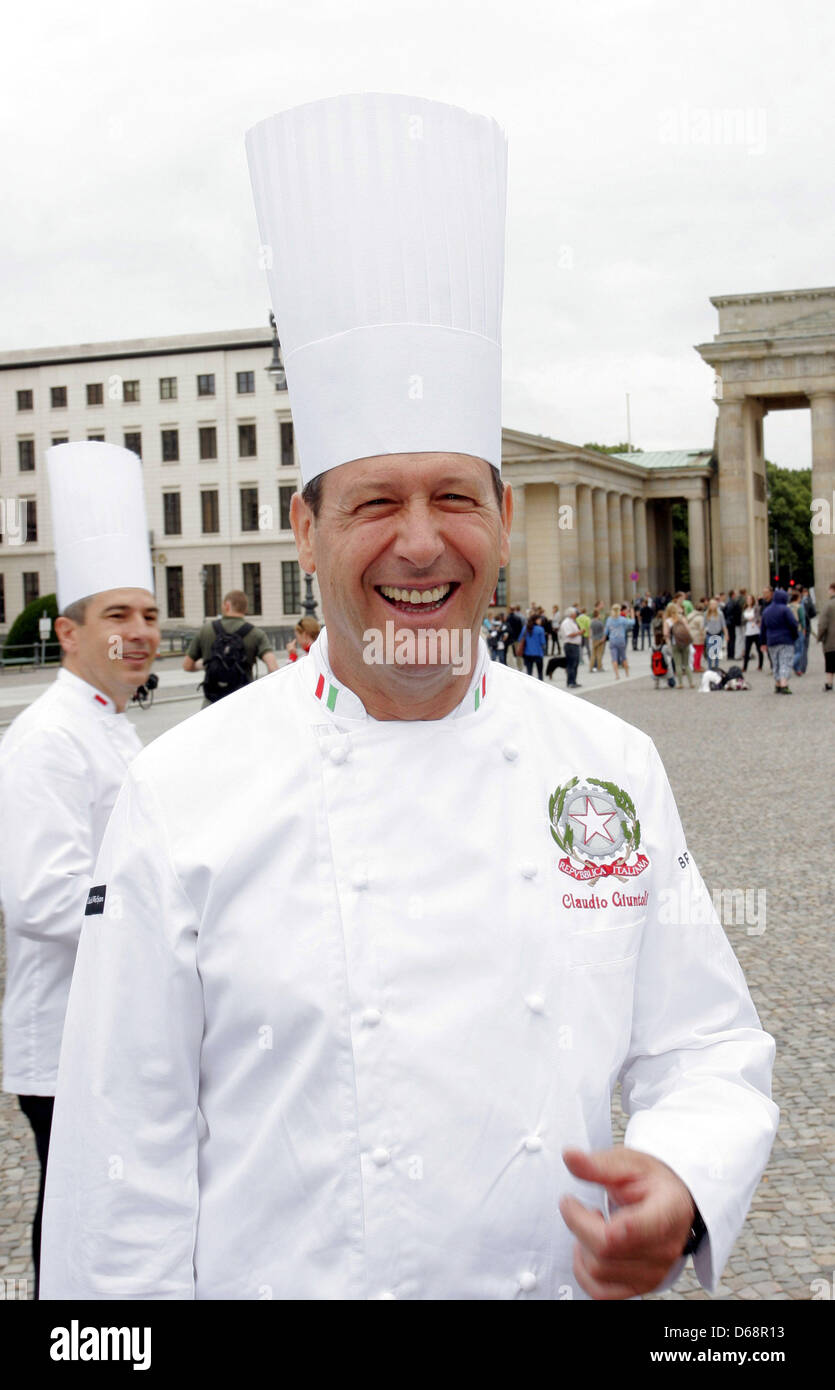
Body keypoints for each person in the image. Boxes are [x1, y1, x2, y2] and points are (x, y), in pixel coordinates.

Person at [41, 92, 776, 1304]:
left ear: (498, 518)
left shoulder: (610, 768)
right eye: (376, 503)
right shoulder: (181, 794)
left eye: (456, 497)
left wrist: (681, 1179)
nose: (421, 544)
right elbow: (123, 1171)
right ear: (306, 533)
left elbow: (708, 1047)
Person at [0, 441, 159, 1297]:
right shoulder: (50, 739)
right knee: (72, 1221)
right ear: (66, 631)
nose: (139, 633)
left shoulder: (109, 723)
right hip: (64, 1034)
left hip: (108, 1024)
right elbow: (40, 898)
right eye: (115, 617)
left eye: (145, 614)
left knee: (110, 1221)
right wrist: (165, 912)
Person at [183, 590, 278, 703]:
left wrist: (205, 664)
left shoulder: (206, 630)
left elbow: (187, 665)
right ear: (245, 609)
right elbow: (273, 668)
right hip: (243, 701)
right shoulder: (256, 633)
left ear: (227, 605)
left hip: (212, 703)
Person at [760, 588, 799, 694]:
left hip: (771, 641)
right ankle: (784, 684)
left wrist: (763, 642)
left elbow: (763, 628)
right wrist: (795, 636)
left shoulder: (766, 611)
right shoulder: (785, 609)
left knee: (775, 663)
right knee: (785, 662)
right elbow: (793, 624)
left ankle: (777, 683)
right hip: (786, 639)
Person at [666, 604, 695, 690]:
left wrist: (669, 645)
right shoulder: (682, 619)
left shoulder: (668, 621)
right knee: (686, 664)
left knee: (678, 664)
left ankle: (680, 683)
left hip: (675, 644)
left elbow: (666, 634)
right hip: (685, 643)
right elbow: (688, 630)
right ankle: (691, 682)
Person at [558, 606, 583, 688]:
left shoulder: (572, 622)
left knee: (575, 664)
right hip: (570, 645)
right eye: (575, 613)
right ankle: (570, 682)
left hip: (575, 645)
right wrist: (579, 633)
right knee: (571, 664)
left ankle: (574, 681)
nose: (577, 614)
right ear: (572, 614)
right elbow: (569, 634)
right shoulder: (567, 622)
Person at [816, 580, 835, 691]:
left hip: (831, 641)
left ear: (832, 590)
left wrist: (819, 637)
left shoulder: (828, 605)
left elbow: (822, 624)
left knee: (830, 663)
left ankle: (829, 683)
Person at [603, 604, 630, 679]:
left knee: (614, 659)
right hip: (621, 639)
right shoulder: (622, 619)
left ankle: (617, 675)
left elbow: (606, 631)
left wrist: (604, 638)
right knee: (623, 657)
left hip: (613, 640)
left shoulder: (609, 619)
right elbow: (631, 623)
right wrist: (632, 615)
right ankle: (627, 673)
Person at [520, 612, 545, 679]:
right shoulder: (540, 629)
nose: (541, 621)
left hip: (527, 653)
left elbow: (520, 639)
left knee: (529, 674)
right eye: (540, 619)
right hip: (538, 653)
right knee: (540, 673)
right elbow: (543, 642)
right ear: (536, 620)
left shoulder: (525, 628)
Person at [703, 599, 727, 672]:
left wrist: (726, 634)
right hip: (709, 634)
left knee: (717, 652)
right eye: (711, 604)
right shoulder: (706, 614)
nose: (713, 606)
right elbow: (704, 625)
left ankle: (716, 667)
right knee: (710, 651)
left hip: (718, 634)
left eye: (714, 604)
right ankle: (709, 667)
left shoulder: (720, 614)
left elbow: (723, 625)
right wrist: (703, 634)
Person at [741, 594, 761, 673]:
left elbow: (758, 617)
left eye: (750, 599)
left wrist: (754, 620)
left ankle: (760, 665)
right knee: (747, 650)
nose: (749, 601)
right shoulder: (744, 609)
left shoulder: (756, 608)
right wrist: (747, 620)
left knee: (759, 649)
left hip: (756, 631)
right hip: (748, 631)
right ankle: (744, 667)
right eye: (747, 599)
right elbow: (742, 620)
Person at [687, 602, 705, 674]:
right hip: (698, 635)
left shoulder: (690, 615)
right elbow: (702, 628)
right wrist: (703, 637)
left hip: (690, 634)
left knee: (693, 652)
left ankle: (694, 665)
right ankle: (697, 666)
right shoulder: (700, 617)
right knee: (699, 652)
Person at [504, 604, 524, 670]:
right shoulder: (518, 618)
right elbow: (521, 629)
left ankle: (511, 668)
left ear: (509, 610)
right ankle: (520, 667)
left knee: (510, 654)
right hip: (517, 639)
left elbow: (506, 629)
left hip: (510, 639)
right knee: (518, 654)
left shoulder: (507, 619)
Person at [589, 603, 606, 672]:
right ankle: (599, 667)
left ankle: (591, 667)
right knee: (599, 654)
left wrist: (591, 637)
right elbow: (604, 631)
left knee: (593, 654)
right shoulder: (600, 622)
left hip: (594, 639)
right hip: (600, 639)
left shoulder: (591, 622)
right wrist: (604, 638)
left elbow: (590, 630)